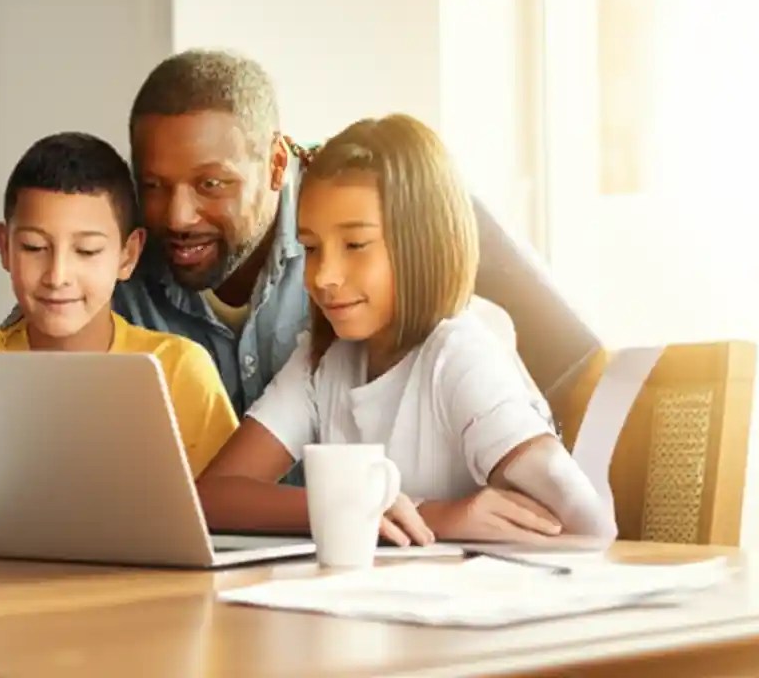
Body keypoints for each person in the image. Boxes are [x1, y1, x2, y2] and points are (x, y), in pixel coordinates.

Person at [113, 49, 602, 482]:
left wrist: (528, 468)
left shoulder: (386, 199)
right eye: (153, 185)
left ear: (277, 166)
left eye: (212, 185)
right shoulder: (108, 256)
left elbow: (579, 364)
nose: (176, 215)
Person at [194, 115, 615, 545]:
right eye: (312, 248)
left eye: (355, 245)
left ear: (423, 242)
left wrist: (401, 514)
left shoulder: (458, 356)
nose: (323, 277)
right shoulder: (323, 361)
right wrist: (359, 506)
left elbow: (590, 523)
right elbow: (211, 497)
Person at [0, 132, 236, 476]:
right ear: (4, 247)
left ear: (128, 255)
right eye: (35, 247)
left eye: (87, 251)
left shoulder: (177, 371)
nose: (57, 275)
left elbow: (224, 511)